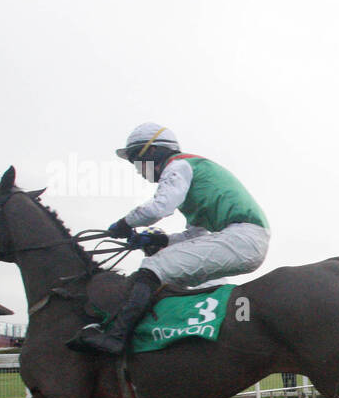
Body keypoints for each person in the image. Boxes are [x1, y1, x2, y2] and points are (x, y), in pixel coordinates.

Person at [67, 123, 270, 355]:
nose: (136, 169)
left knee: (153, 266)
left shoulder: (178, 166)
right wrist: (160, 240)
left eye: (136, 160)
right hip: (243, 239)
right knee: (169, 275)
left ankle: (115, 337)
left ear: (152, 151)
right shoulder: (195, 177)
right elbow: (196, 236)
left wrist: (124, 224)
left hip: (242, 239)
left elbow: (159, 207)